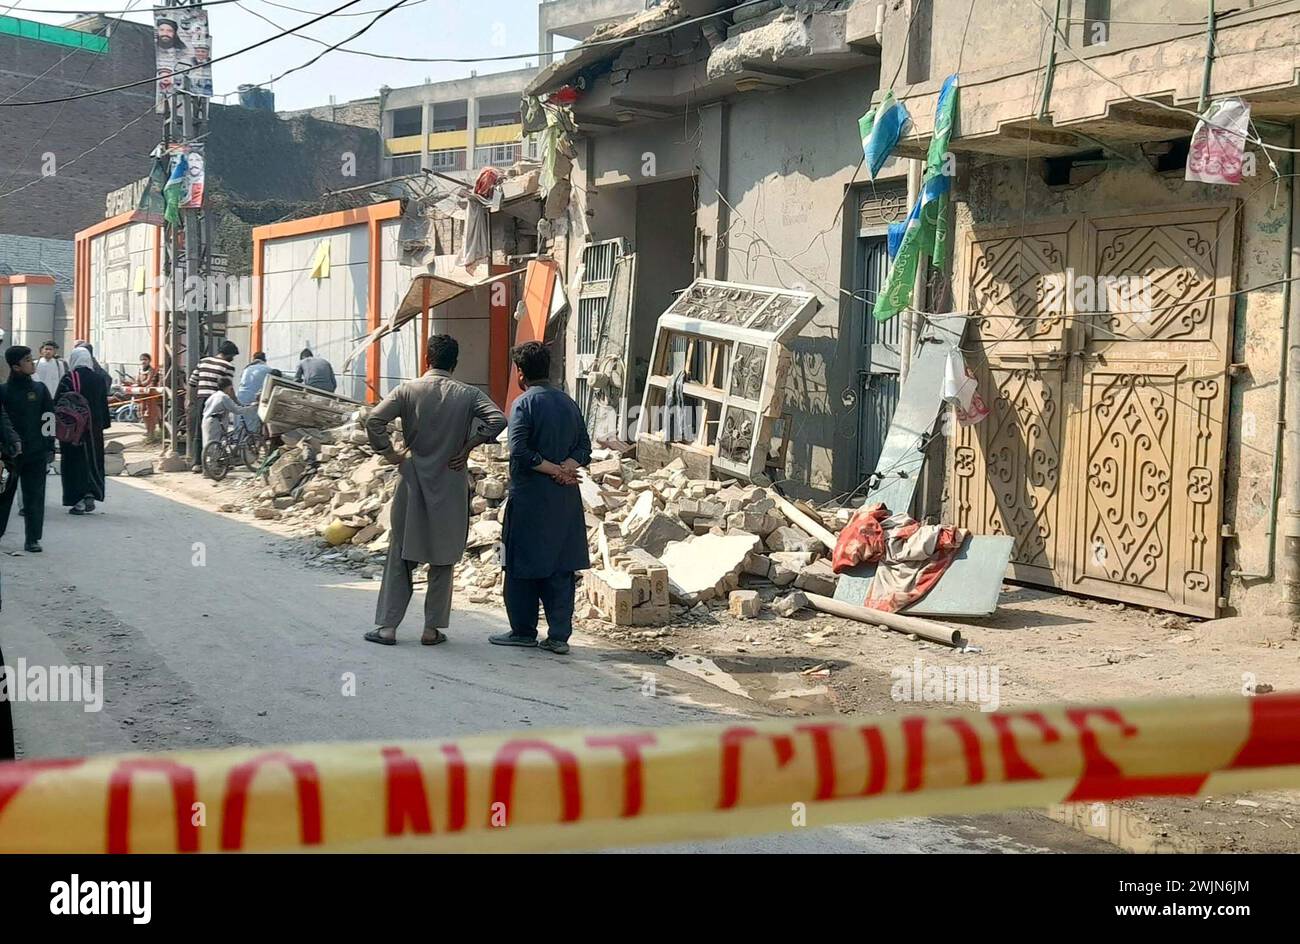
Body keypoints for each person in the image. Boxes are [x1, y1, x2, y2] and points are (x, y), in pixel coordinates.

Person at [363, 334, 506, 647]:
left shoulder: (407, 390)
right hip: (451, 479)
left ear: (426, 358)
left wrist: (390, 453)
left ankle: (388, 628)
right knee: (443, 556)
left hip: (412, 478)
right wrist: (468, 446)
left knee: (401, 553)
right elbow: (498, 419)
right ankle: (431, 629)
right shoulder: (468, 394)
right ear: (454, 363)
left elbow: (374, 420)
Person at [490, 341, 591, 655]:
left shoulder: (523, 404)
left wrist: (550, 470)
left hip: (530, 500)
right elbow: (584, 449)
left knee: (520, 565)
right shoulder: (568, 403)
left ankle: (523, 630)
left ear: (520, 373)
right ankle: (559, 636)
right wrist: (565, 469)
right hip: (564, 500)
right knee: (561, 567)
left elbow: (519, 451)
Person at [0, 347, 54, 552]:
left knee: (35, 497)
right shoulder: (3, 391)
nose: (33, 363)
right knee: (3, 495)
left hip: (36, 453)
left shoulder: (40, 390)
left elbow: (48, 419)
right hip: (9, 455)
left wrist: (50, 447)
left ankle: (32, 539)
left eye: (32, 359)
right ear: (16, 367)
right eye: (28, 360)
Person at [57, 346, 111, 515]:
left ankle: (78, 501)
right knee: (93, 461)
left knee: (75, 462)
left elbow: (59, 402)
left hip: (73, 430)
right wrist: (102, 425)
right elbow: (103, 404)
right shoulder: (99, 378)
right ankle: (91, 494)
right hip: (94, 430)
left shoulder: (69, 377)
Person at [187, 340, 238, 472]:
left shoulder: (203, 361)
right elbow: (228, 388)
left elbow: (192, 382)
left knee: (199, 430)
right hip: (216, 401)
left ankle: (197, 463)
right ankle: (215, 462)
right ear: (228, 354)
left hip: (201, 399)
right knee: (218, 432)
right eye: (232, 356)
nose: (233, 359)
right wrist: (236, 403)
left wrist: (189, 400)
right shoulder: (228, 366)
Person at [200, 377, 258, 463]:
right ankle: (214, 467)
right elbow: (237, 410)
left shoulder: (213, 396)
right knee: (215, 445)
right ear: (228, 387)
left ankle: (210, 468)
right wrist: (251, 408)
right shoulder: (224, 397)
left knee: (208, 444)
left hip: (206, 421)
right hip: (215, 422)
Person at [236, 351, 271, 435]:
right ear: (264, 359)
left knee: (240, 422)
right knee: (252, 423)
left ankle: (238, 441)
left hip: (240, 397)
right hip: (253, 398)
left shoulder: (247, 368)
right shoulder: (268, 369)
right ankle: (251, 442)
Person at [135, 352, 162, 442]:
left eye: (145, 360)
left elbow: (150, 381)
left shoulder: (152, 371)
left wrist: (142, 385)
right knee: (142, 413)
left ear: (149, 361)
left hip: (150, 397)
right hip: (142, 396)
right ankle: (147, 431)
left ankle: (152, 433)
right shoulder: (140, 370)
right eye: (142, 360)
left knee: (151, 414)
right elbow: (137, 381)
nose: (143, 362)